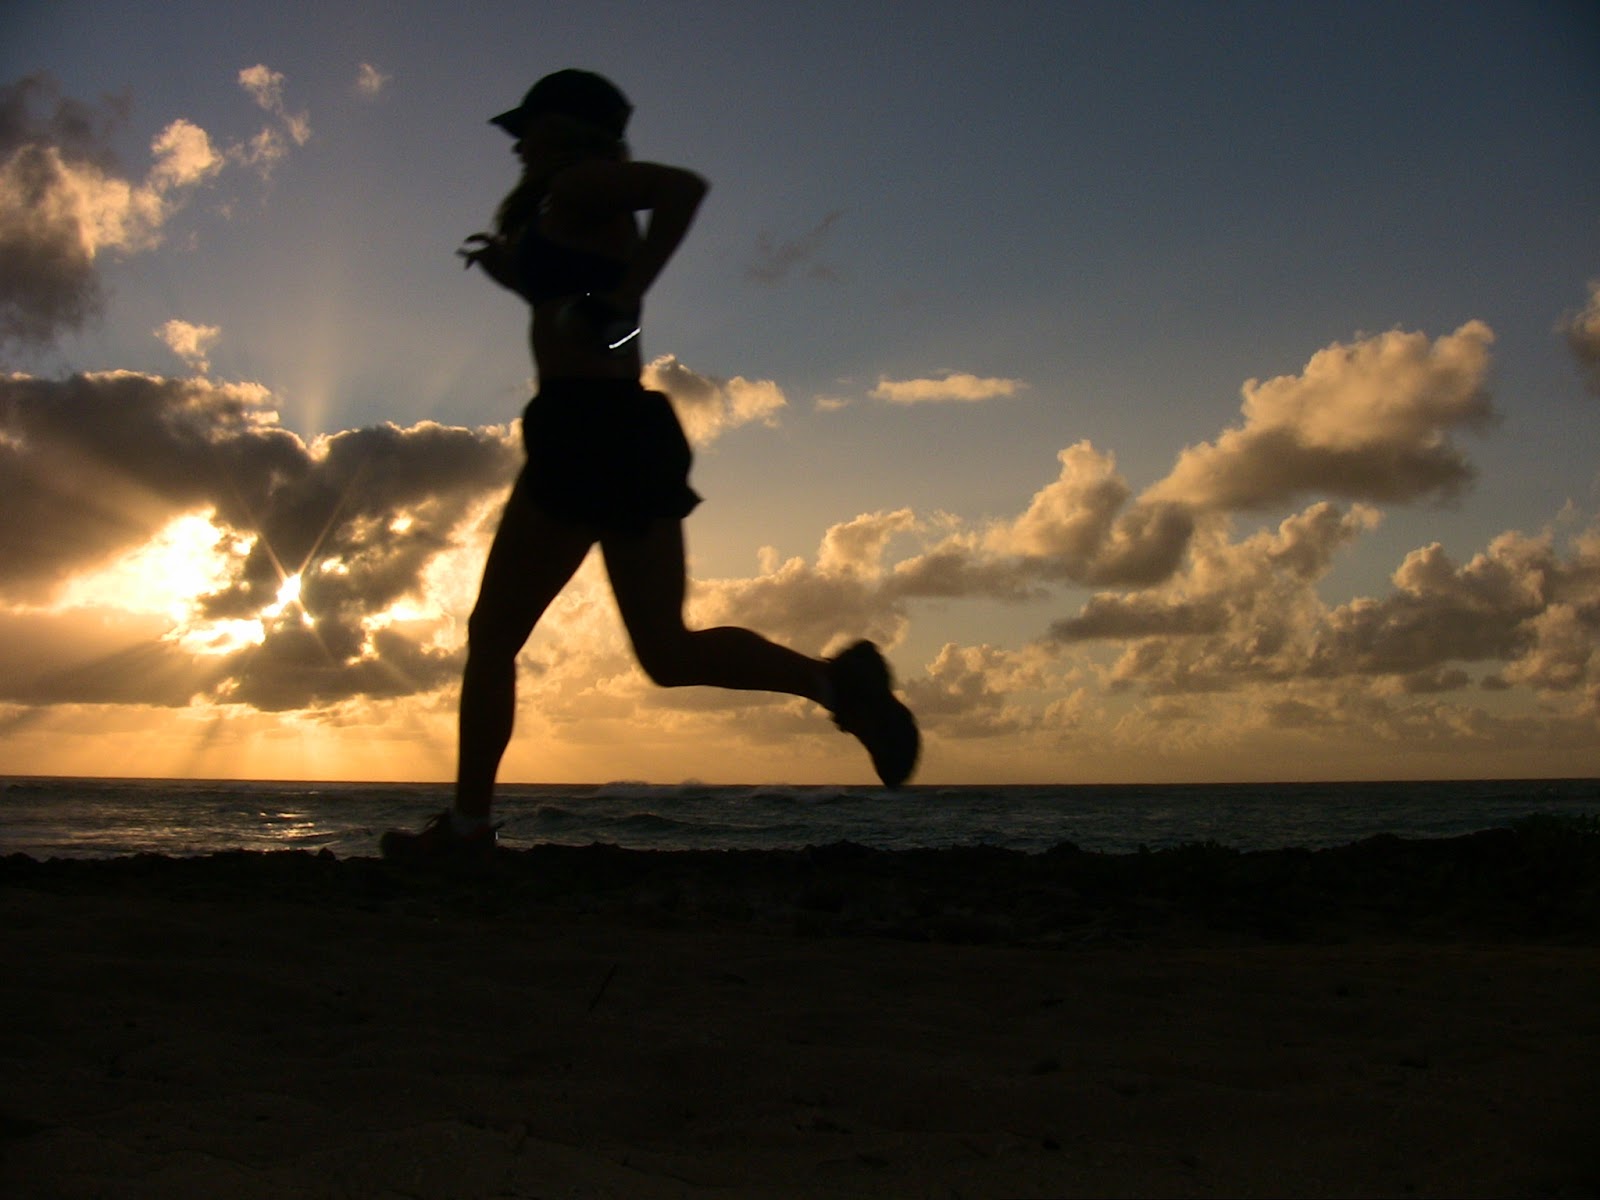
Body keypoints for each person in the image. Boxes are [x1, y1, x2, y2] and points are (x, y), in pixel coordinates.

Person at [382, 70, 918, 862]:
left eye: (527, 129)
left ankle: (466, 831)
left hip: (584, 431)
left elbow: (682, 189)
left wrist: (629, 293)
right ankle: (839, 686)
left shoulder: (581, 183)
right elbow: (573, 306)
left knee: (493, 637)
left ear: (565, 131)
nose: (517, 145)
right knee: (666, 654)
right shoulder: (564, 206)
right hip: (623, 432)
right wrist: (510, 267)